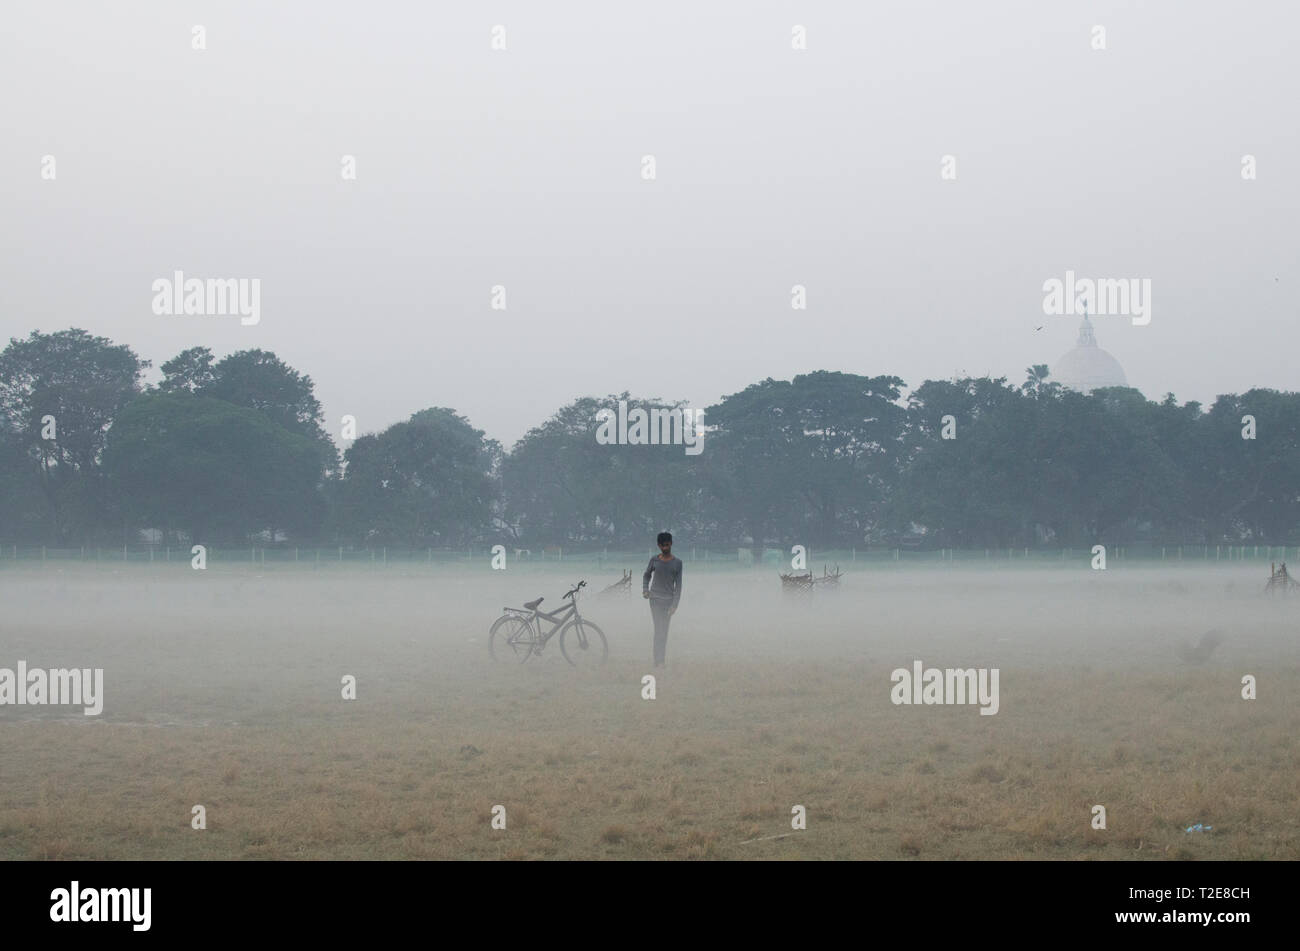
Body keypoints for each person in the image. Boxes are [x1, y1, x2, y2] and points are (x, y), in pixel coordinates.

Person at [642, 532, 683, 667]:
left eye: (667, 545)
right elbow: (646, 575)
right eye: (662, 546)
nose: (665, 548)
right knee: (658, 629)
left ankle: (661, 660)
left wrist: (674, 605)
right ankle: (657, 660)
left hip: (668, 602)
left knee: (664, 631)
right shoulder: (654, 560)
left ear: (671, 544)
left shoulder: (677, 563)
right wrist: (645, 589)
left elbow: (678, 586)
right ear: (658, 546)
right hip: (654, 600)